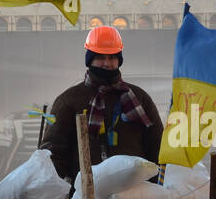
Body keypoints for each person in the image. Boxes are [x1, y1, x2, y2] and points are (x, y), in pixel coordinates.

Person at [40, 25, 164, 184]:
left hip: (136, 196)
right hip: (84, 196)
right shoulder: (69, 100)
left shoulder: (139, 98)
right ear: (89, 60)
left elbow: (157, 147)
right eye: (100, 57)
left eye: (112, 57)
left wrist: (158, 185)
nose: (107, 63)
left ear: (119, 60)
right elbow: (53, 153)